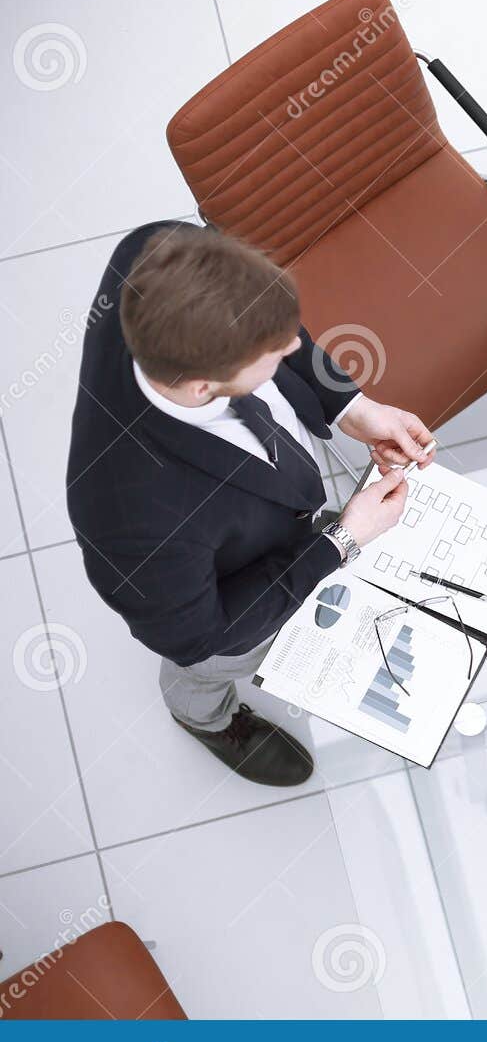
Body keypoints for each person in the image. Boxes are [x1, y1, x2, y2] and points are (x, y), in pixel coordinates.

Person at [66, 222, 436, 787]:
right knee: (207, 665)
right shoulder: (130, 518)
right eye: (273, 355)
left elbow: (283, 333)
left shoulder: (157, 250)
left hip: (266, 508)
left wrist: (350, 408)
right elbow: (202, 634)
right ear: (200, 389)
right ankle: (202, 714)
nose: (296, 348)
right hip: (226, 597)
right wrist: (339, 543)